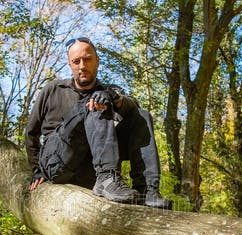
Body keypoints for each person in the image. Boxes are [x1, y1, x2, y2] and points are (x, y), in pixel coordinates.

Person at [25, 36, 172, 208]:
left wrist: (114, 98)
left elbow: (132, 110)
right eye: (76, 61)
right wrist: (37, 170)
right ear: (70, 65)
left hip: (91, 168)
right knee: (93, 104)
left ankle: (146, 190)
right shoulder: (53, 89)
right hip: (58, 163)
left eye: (87, 59)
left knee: (141, 115)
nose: (82, 66)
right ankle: (107, 178)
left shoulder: (107, 91)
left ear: (97, 61)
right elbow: (31, 134)